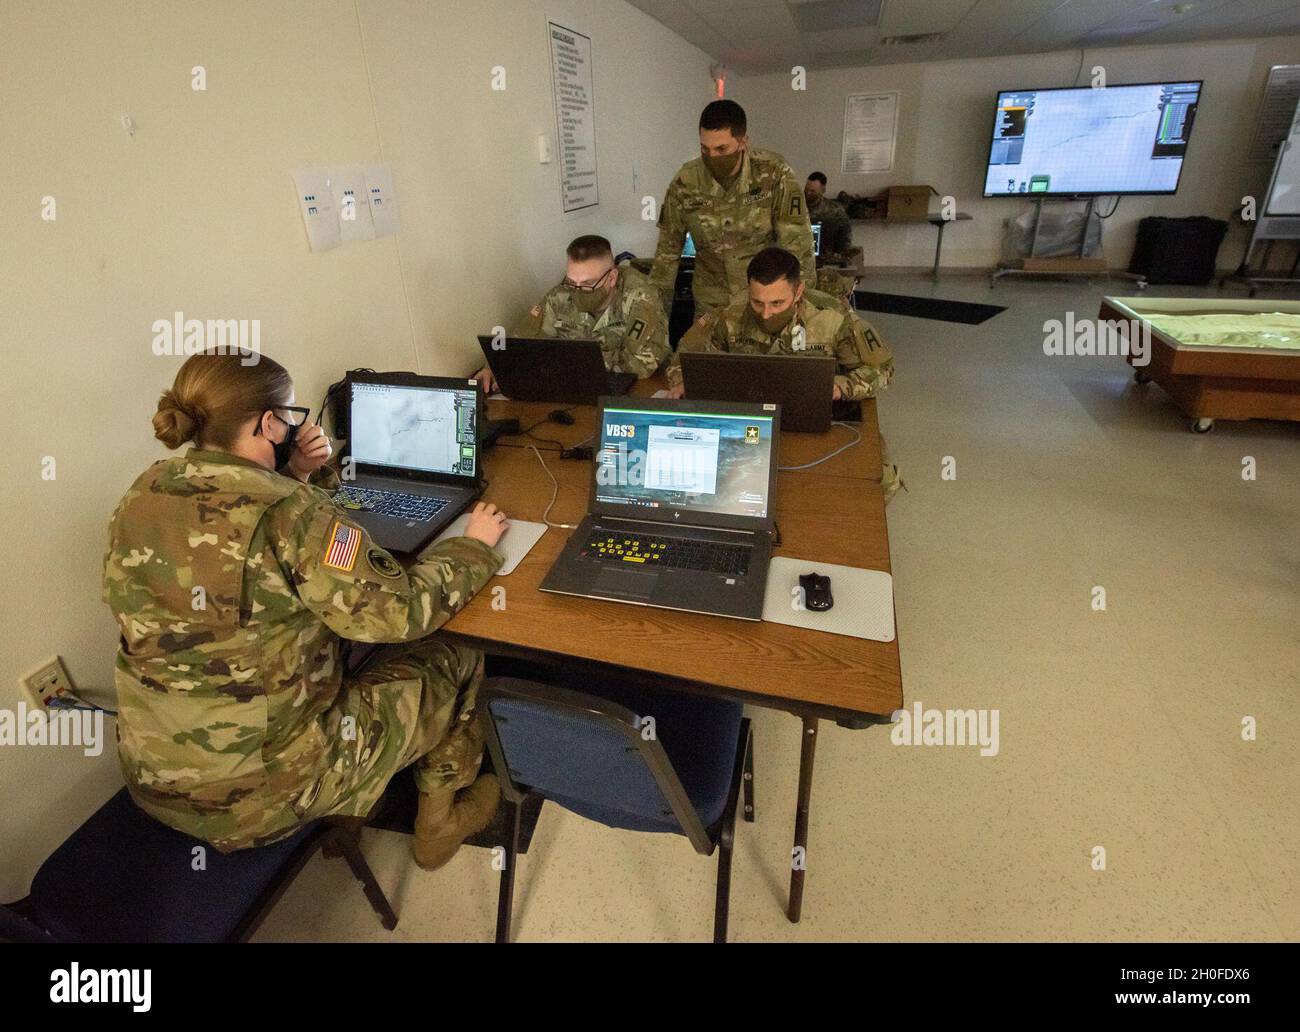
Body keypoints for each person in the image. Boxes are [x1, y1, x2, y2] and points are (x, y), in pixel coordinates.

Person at [103, 348, 507, 868]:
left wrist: (294, 473)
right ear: (270, 424)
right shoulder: (294, 515)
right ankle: (439, 823)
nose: (299, 424)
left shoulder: (142, 493)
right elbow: (403, 614)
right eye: (292, 415)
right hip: (264, 795)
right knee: (456, 652)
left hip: (153, 776)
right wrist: (474, 545)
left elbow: (237, 555)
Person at [667, 247, 904, 501]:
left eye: (777, 303)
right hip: (747, 420)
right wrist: (682, 380)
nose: (766, 313)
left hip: (810, 418)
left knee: (873, 480)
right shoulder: (729, 315)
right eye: (758, 302)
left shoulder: (833, 317)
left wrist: (840, 386)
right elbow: (684, 356)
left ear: (799, 291)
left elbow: (882, 369)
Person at [649, 99, 813, 318]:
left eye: (722, 149)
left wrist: (805, 316)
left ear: (743, 141)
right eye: (704, 149)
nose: (712, 157)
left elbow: (798, 248)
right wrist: (654, 319)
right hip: (711, 305)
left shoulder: (775, 174)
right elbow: (665, 259)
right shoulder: (685, 183)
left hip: (764, 302)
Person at [475, 235, 668, 393]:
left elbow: (642, 364)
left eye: (587, 283)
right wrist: (493, 367)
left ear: (612, 278)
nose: (576, 290)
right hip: (571, 388)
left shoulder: (642, 297)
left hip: (626, 393)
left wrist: (569, 361)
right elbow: (522, 340)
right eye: (571, 281)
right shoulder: (561, 294)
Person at [805, 171, 853, 256]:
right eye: (806, 189)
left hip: (826, 257)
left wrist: (841, 254)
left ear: (823, 190)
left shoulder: (835, 210)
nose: (808, 193)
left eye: (812, 191)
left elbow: (845, 236)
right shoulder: (795, 206)